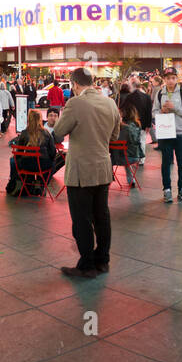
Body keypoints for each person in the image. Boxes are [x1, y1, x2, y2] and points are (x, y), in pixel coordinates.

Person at [45, 69, 121, 278]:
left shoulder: (76, 103)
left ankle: (86, 265)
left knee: (82, 219)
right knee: (102, 216)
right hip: (102, 168)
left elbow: (59, 131)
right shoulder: (110, 103)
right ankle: (102, 260)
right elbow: (114, 135)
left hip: (80, 171)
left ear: (75, 85)